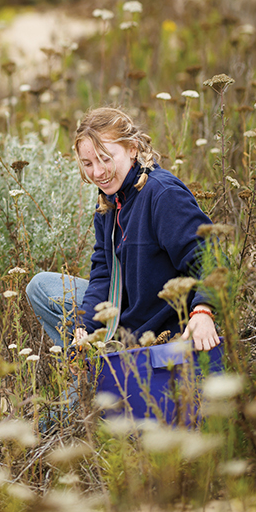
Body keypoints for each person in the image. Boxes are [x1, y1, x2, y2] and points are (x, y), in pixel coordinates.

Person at [26, 106, 219, 352]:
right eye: (87, 163)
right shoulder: (109, 200)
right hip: (123, 313)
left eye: (106, 158)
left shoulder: (163, 194)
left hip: (162, 330)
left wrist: (203, 311)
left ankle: (107, 367)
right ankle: (86, 362)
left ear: (132, 148)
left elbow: (210, 258)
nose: (98, 172)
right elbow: (104, 274)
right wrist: (84, 327)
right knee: (40, 287)